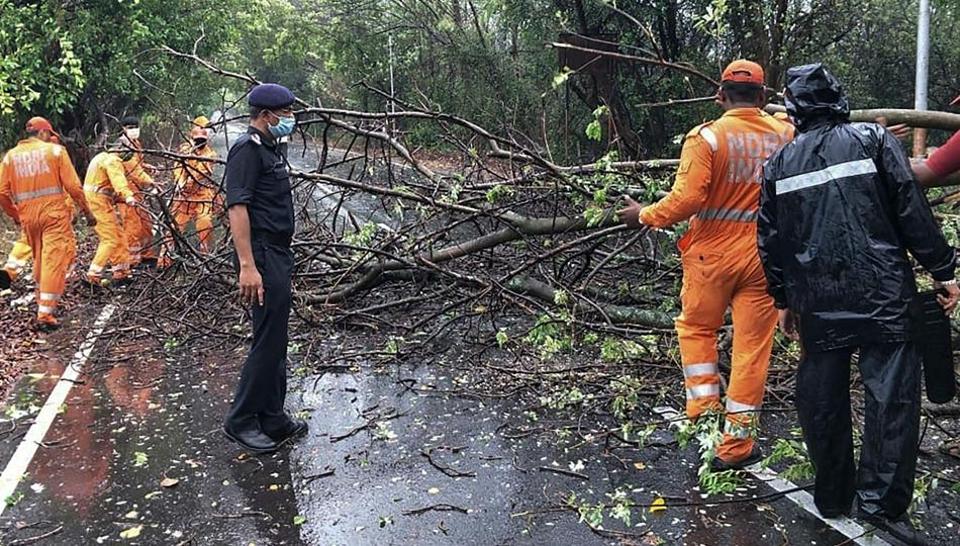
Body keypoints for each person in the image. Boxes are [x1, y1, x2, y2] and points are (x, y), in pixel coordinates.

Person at [758, 63, 958, 545]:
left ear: (794, 110)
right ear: (837, 99)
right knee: (891, 401)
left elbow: (770, 239)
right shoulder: (872, 139)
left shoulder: (779, 165)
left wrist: (784, 299)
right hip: (884, 294)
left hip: (818, 302)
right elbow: (911, 206)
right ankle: (880, 504)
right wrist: (944, 268)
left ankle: (831, 494)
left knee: (821, 400)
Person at [619, 60, 794, 469]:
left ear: (720, 95)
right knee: (752, 349)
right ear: (764, 97)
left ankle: (704, 414)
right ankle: (736, 447)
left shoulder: (707, 138)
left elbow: (687, 200)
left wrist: (644, 214)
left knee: (697, 329)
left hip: (710, 256)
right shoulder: (787, 135)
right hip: (765, 257)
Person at [222, 83, 306, 453]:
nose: (290, 119)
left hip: (277, 253)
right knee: (267, 340)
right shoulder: (246, 150)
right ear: (266, 115)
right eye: (285, 113)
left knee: (276, 339)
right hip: (261, 255)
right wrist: (247, 266)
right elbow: (237, 209)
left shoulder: (270, 148)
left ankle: (273, 415)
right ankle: (240, 420)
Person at [0, 117, 94, 330]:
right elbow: (74, 187)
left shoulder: (10, 158)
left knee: (40, 258)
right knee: (53, 260)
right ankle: (45, 314)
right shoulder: (55, 152)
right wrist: (87, 212)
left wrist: (15, 215)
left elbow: (2, 193)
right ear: (43, 133)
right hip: (54, 216)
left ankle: (40, 296)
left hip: (28, 218)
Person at [2, 134, 77, 285]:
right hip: (55, 211)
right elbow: (70, 186)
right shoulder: (55, 153)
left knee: (27, 241)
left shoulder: (24, 158)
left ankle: (10, 269)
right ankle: (62, 275)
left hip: (29, 211)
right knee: (61, 244)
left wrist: (16, 214)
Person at [84, 142, 138, 285]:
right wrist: (128, 195)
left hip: (99, 201)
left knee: (119, 235)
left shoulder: (101, 157)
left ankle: (121, 273)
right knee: (109, 239)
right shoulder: (113, 161)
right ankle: (92, 276)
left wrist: (122, 199)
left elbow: (104, 188)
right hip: (98, 203)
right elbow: (118, 181)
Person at [169, 124, 219, 255]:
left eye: (202, 140)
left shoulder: (210, 154)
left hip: (203, 195)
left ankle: (205, 254)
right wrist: (180, 181)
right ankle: (165, 259)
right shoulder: (185, 150)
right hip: (184, 197)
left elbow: (200, 173)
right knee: (174, 226)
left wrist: (187, 182)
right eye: (197, 140)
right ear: (191, 138)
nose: (199, 142)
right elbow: (178, 167)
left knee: (205, 222)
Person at [117, 116, 157, 266]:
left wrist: (148, 167)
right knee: (133, 225)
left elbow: (138, 164)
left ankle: (147, 255)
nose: (133, 129)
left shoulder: (135, 143)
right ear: (123, 128)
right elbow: (133, 169)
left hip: (138, 190)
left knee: (146, 223)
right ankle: (133, 261)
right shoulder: (122, 145)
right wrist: (151, 182)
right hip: (126, 190)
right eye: (129, 127)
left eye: (135, 126)